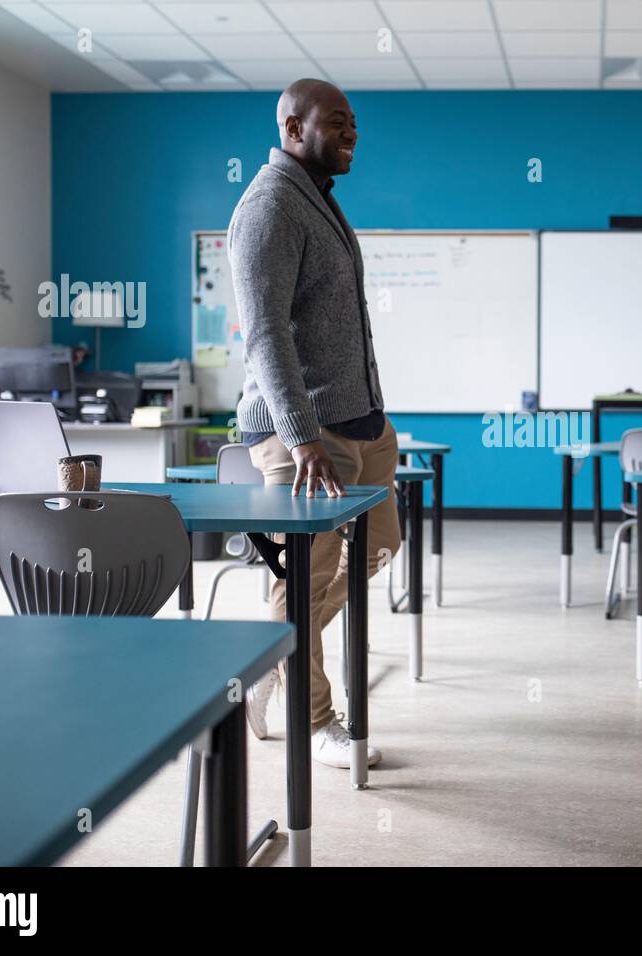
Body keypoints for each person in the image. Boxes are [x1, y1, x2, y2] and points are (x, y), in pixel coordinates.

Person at [228, 78, 400, 769]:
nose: (353, 132)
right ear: (293, 127)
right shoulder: (270, 205)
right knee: (303, 578)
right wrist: (300, 436)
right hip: (303, 434)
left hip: (362, 425)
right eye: (338, 122)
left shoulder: (317, 200)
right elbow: (265, 333)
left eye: (355, 121)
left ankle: (269, 657)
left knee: (379, 548)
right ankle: (314, 720)